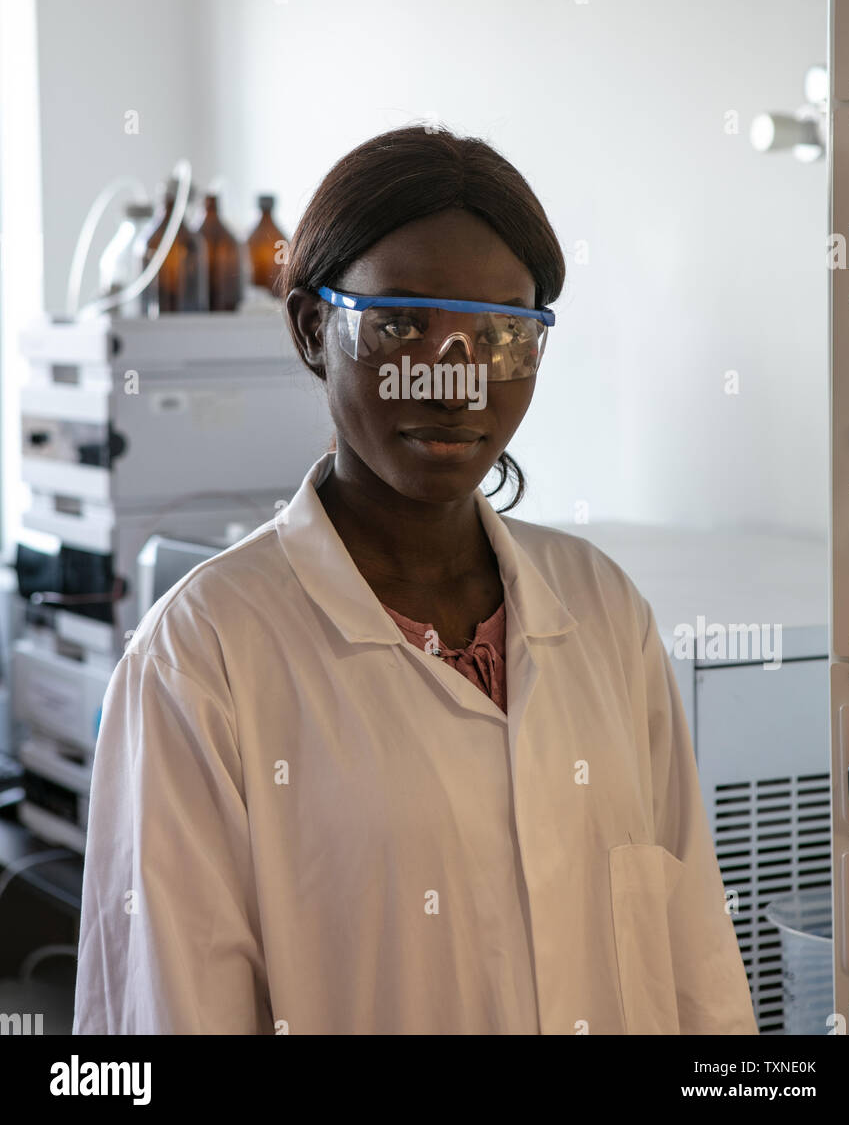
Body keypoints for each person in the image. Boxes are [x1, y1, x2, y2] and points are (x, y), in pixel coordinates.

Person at [72, 123, 758, 1035]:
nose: (453, 382)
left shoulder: (603, 611)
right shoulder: (202, 658)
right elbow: (170, 1014)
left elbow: (696, 966)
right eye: (399, 324)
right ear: (316, 328)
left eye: (501, 336)